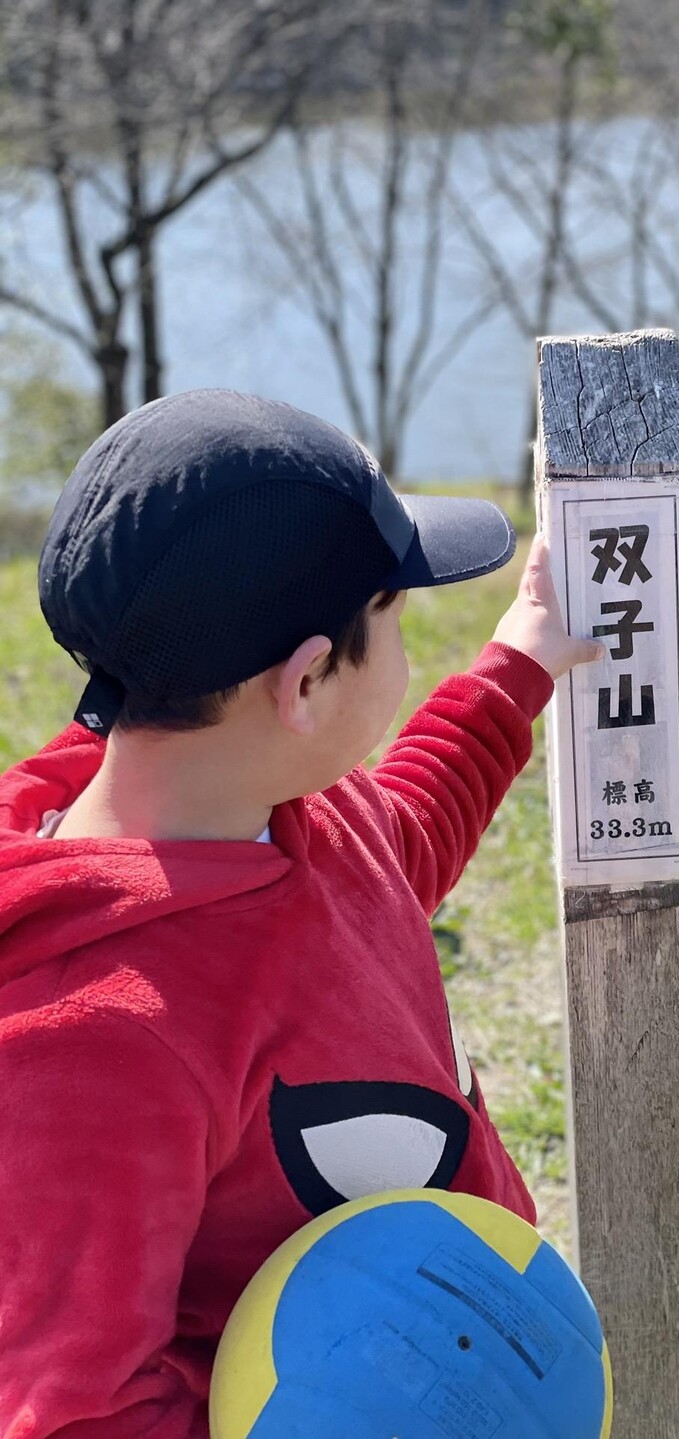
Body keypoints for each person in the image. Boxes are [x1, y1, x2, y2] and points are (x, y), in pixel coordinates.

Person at [0, 389, 603, 1439]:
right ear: (309, 681)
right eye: (395, 614)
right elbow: (75, 1403)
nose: (408, 638)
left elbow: (403, 840)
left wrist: (517, 668)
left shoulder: (296, 810)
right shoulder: (94, 1034)